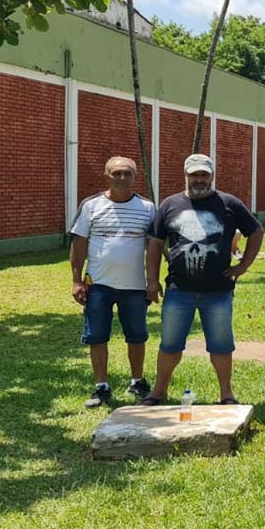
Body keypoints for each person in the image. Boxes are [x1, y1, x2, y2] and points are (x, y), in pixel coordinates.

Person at [140, 154, 263, 406]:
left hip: (218, 291)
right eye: (194, 175)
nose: (199, 180)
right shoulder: (169, 205)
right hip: (179, 289)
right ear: (185, 175)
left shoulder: (229, 203)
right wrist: (151, 281)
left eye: (204, 175)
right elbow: (155, 244)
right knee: (170, 344)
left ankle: (226, 394)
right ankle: (158, 391)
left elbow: (256, 230)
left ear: (212, 176)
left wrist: (244, 265)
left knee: (221, 345)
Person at [69, 156, 155, 407]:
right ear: (106, 176)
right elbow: (79, 244)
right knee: (97, 336)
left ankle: (137, 381)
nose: (122, 178)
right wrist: (76, 280)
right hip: (99, 286)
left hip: (135, 286)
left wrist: (152, 281)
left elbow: (154, 247)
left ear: (135, 176)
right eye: (116, 173)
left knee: (137, 336)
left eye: (127, 173)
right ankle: (101, 386)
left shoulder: (148, 208)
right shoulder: (91, 206)